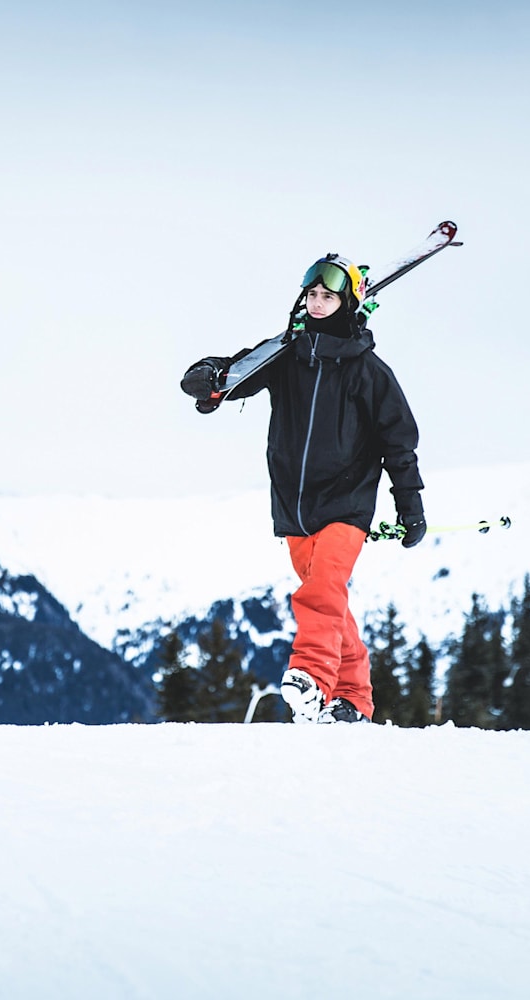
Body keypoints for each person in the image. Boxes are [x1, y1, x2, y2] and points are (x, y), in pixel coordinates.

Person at [180, 253, 426, 724]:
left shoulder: (369, 373)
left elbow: (400, 445)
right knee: (329, 599)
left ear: (347, 302)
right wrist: (209, 380)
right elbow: (236, 375)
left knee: (321, 593)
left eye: (328, 296)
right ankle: (353, 698)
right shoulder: (285, 355)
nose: (316, 303)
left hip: (347, 503)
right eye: (311, 294)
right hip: (294, 506)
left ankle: (311, 677)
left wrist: (409, 506)